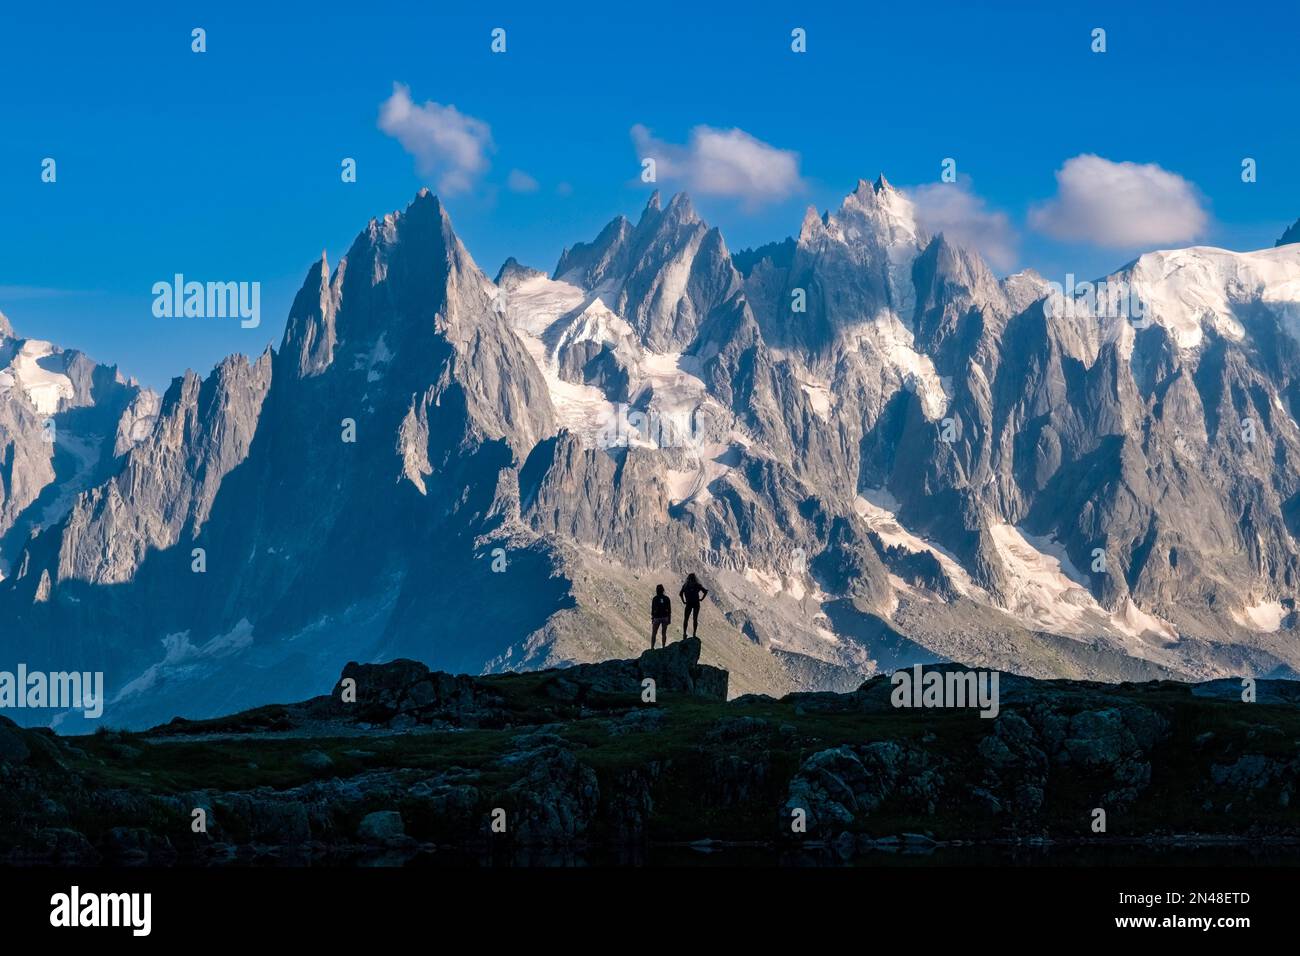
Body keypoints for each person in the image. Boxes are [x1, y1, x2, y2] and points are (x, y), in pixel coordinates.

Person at [679, 573, 708, 639]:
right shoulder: (697, 585)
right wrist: (701, 599)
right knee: (695, 619)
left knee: (686, 619)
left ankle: (684, 633)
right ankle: (694, 634)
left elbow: (680, 594)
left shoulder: (685, 585)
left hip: (688, 603)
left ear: (688, 578)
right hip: (696, 603)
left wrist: (683, 601)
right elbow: (705, 591)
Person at [650, 584, 672, 648]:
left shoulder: (655, 599)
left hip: (657, 618)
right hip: (665, 617)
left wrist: (653, 618)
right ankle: (663, 646)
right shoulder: (667, 598)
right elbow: (669, 610)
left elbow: (653, 609)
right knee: (664, 633)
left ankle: (652, 647)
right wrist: (669, 619)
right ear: (663, 590)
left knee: (654, 633)